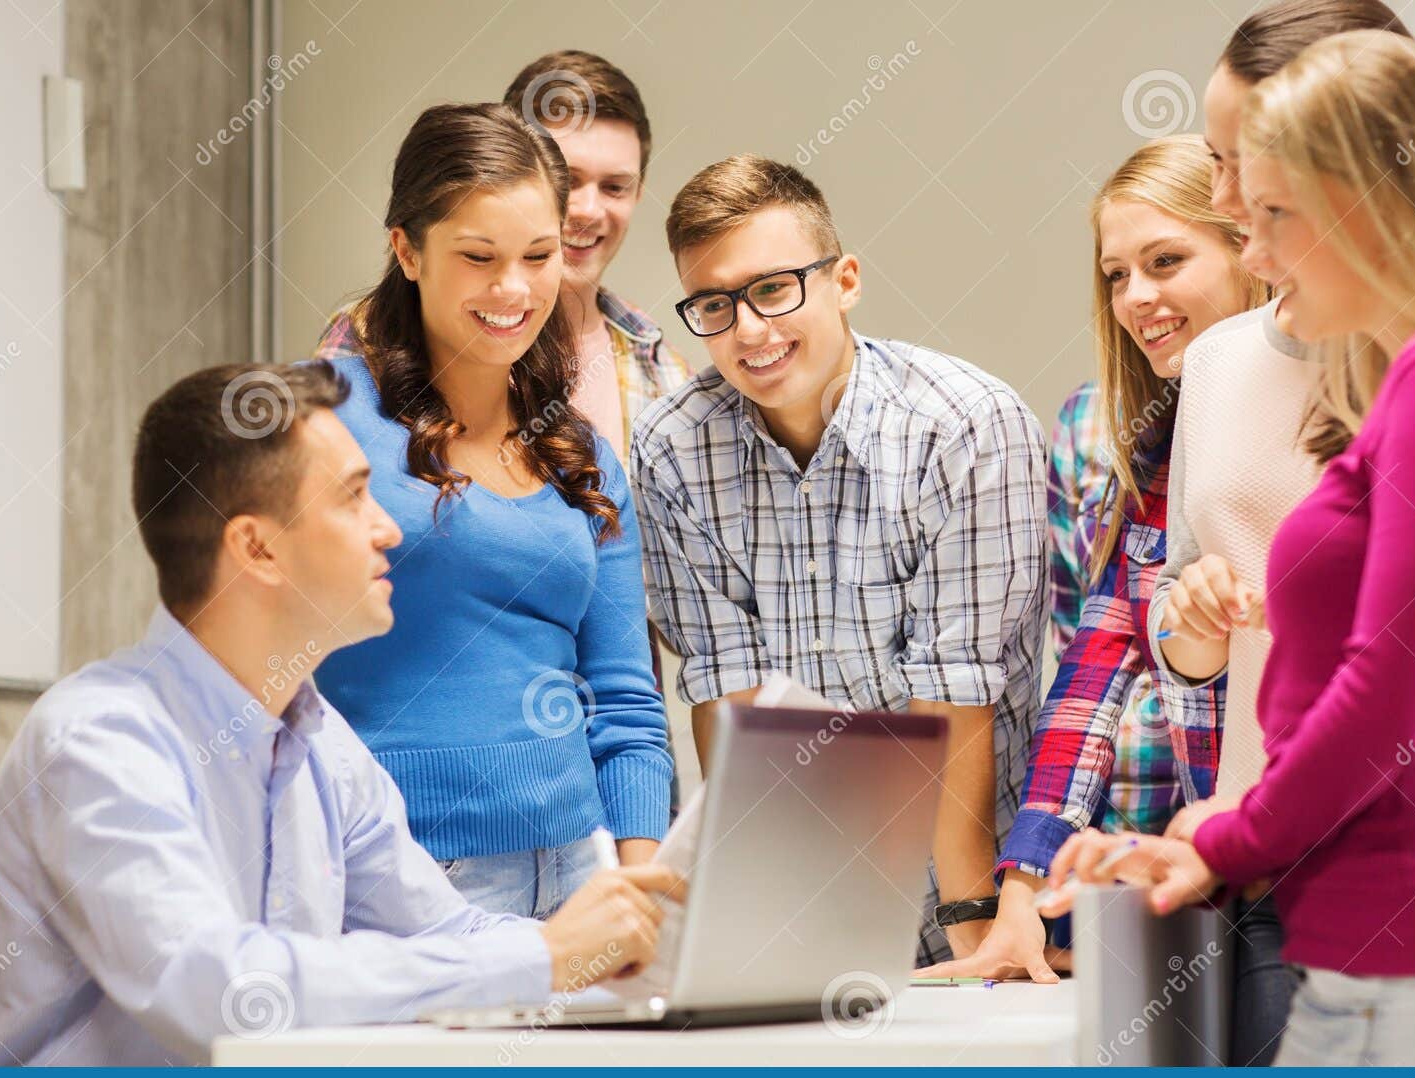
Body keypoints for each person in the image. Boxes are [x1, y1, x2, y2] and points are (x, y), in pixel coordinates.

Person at [0, 362, 684, 1066]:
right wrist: (540, 957)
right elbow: (223, 992)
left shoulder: (321, 742)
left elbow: (448, 928)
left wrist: (609, 942)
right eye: (355, 495)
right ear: (258, 547)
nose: (388, 529)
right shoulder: (99, 741)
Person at [1048, 30, 1415, 1067]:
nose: (1249, 254)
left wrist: (1215, 837)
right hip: (1359, 939)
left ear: (1363, 205)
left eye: (1272, 217)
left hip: (1414, 951)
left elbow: (1391, 688)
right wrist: (1216, 826)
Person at [630, 155, 1047, 967]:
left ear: (844, 279)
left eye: (774, 288)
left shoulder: (964, 427)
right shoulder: (672, 447)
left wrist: (971, 914)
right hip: (821, 889)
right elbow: (729, 695)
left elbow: (956, 690)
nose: (750, 329)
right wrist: (766, 909)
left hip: (994, 872)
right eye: (714, 305)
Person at [312, 104, 673, 918]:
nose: (513, 289)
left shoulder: (581, 456)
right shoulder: (326, 418)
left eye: (539, 256)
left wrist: (635, 886)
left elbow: (624, 700)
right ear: (405, 249)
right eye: (478, 257)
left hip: (579, 868)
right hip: (399, 868)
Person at [916, 135, 1261, 984]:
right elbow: (1095, 661)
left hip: (1294, 856)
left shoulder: (1324, 416)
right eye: (1116, 275)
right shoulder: (1129, 443)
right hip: (1146, 867)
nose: (1136, 297)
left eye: (1166, 260)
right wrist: (1026, 888)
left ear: (1249, 247)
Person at [1146, 0, 1414, 1066]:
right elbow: (1179, 621)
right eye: (1213, 163)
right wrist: (1193, 620)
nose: (1220, 203)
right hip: (1268, 879)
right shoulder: (1216, 363)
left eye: (1242, 165)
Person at [316, 49, 692, 458]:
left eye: (614, 186)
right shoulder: (368, 340)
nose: (586, 210)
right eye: (567, 180)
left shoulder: (661, 368)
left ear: (639, 191)